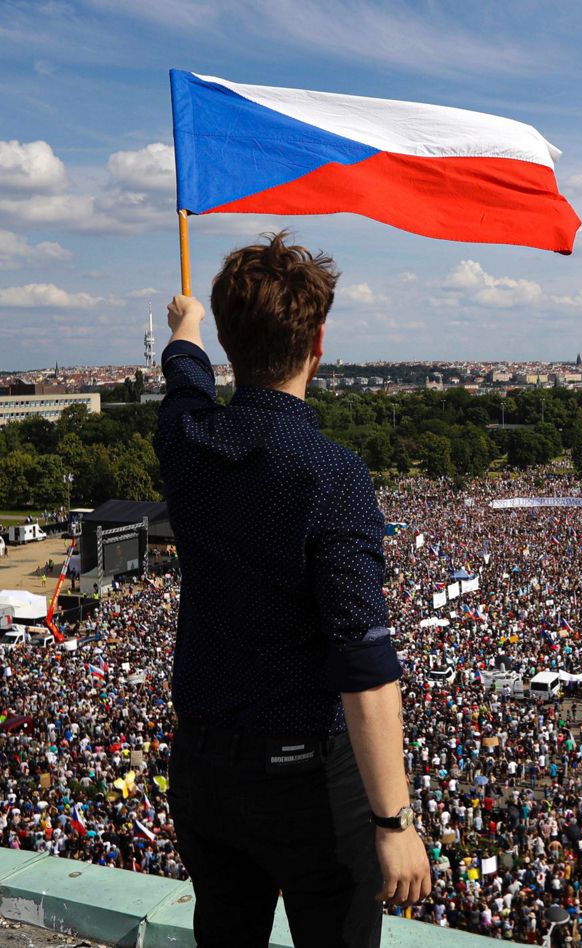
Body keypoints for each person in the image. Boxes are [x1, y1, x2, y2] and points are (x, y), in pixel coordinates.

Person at [156, 233, 430, 947]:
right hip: (308, 778)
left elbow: (184, 376)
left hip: (205, 771)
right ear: (318, 341)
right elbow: (363, 661)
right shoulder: (333, 474)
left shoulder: (188, 439)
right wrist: (393, 820)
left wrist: (184, 330)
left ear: (227, 339)